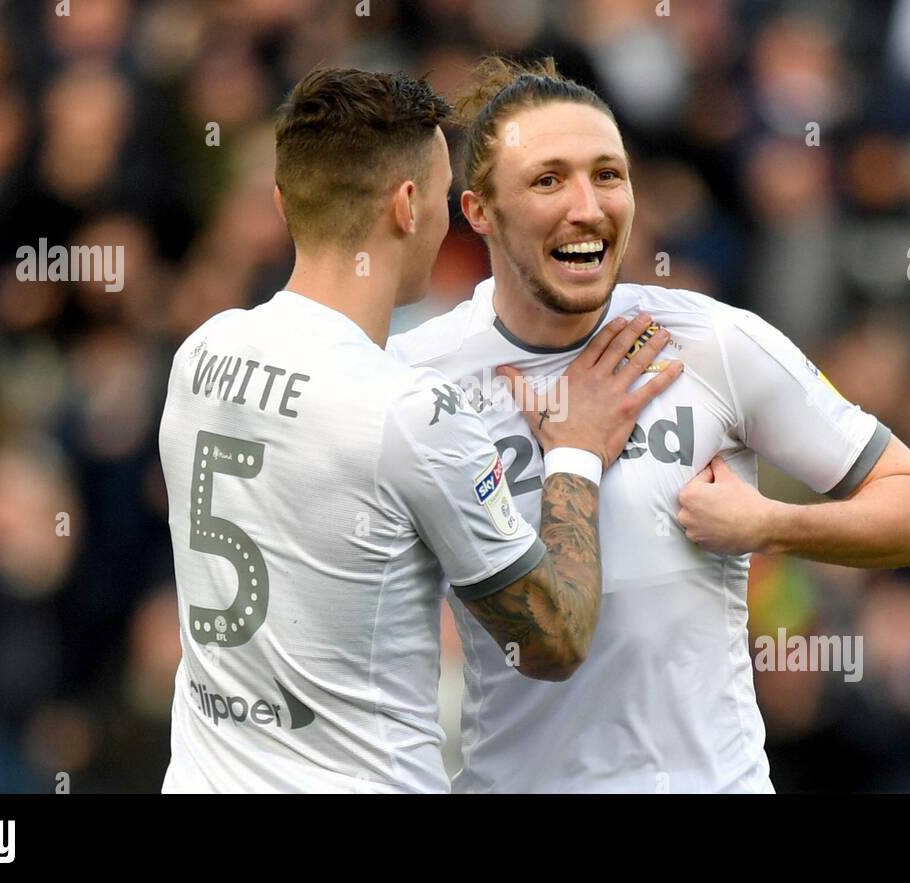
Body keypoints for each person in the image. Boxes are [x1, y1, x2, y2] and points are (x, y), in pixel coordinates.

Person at [388, 57, 910, 793]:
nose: (587, 206)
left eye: (607, 174)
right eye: (547, 180)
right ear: (478, 212)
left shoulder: (710, 343)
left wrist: (767, 523)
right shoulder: (416, 376)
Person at [158, 67, 682, 793]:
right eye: (442, 197)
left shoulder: (200, 355)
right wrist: (575, 454)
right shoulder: (413, 413)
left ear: (283, 203)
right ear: (408, 207)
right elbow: (553, 638)